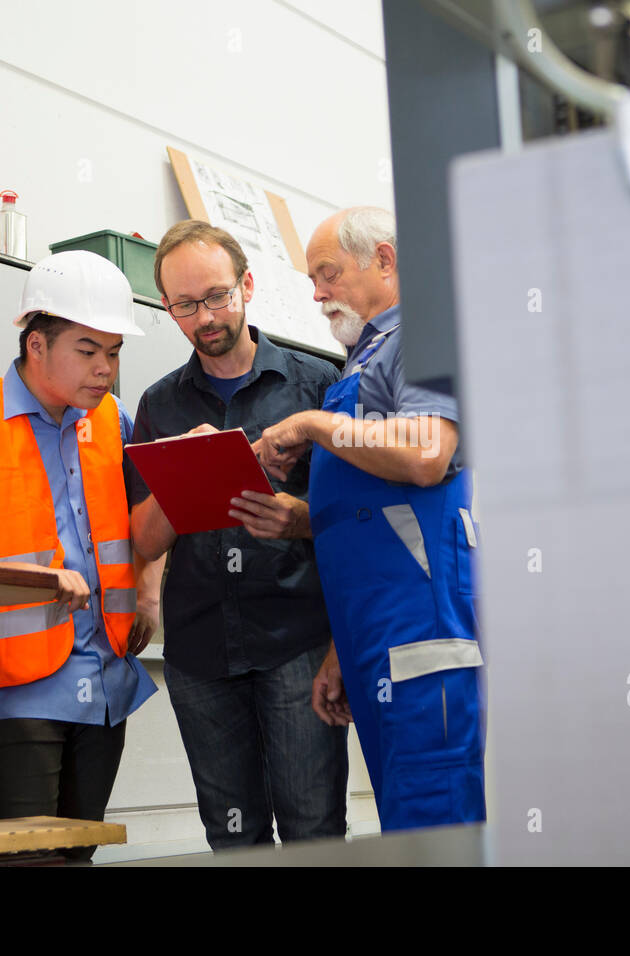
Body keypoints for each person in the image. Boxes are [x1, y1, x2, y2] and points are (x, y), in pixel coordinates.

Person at [0, 250, 162, 861]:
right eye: (88, 350)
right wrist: (33, 579)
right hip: (15, 689)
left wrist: (150, 591)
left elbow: (141, 530)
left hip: (106, 686)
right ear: (36, 344)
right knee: (27, 861)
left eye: (115, 351)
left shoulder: (115, 422)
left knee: (78, 856)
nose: (105, 369)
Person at [250, 206, 486, 832]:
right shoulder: (363, 359)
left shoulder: (423, 338)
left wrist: (313, 425)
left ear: (384, 260)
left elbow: (426, 456)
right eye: (312, 281)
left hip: (421, 635)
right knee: (403, 823)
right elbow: (371, 514)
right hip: (374, 638)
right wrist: (300, 522)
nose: (318, 293)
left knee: (434, 826)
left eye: (328, 273)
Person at [126, 220, 348, 849]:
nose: (205, 316)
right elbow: (142, 541)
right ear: (168, 308)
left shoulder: (318, 384)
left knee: (314, 831)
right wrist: (183, 475)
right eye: (185, 305)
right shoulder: (158, 404)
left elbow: (360, 519)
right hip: (201, 653)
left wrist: (298, 518)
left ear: (248, 285)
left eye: (218, 295)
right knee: (233, 840)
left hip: (297, 643)